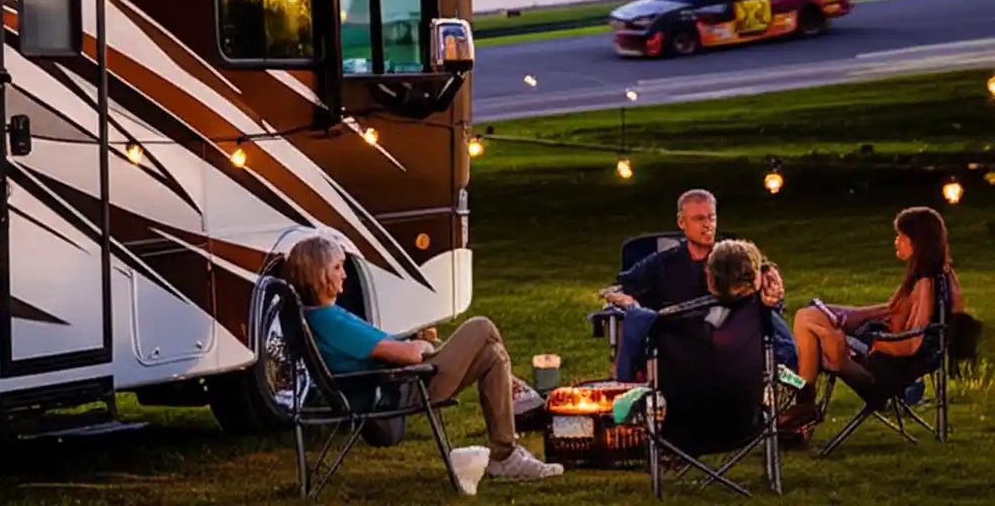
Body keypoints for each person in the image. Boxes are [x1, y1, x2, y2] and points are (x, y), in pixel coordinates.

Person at [281, 234, 564, 481]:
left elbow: (387, 347)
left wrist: (422, 344)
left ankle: (505, 454)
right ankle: (516, 409)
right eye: (338, 267)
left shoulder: (316, 317)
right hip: (401, 390)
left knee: (493, 355)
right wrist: (424, 346)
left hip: (393, 384)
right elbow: (408, 354)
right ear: (318, 274)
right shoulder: (332, 320)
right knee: (481, 326)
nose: (344, 274)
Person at [777, 206, 966, 431]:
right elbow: (891, 310)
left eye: (901, 237)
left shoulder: (927, 283)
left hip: (878, 369)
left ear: (917, 243)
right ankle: (804, 402)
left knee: (808, 322)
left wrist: (873, 341)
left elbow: (912, 343)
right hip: (877, 353)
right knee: (810, 316)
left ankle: (804, 401)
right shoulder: (938, 275)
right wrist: (844, 313)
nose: (896, 242)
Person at [599, 189, 797, 370]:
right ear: (681, 223)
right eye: (699, 219)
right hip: (682, 342)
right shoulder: (663, 262)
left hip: (733, 339)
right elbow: (615, 288)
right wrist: (629, 303)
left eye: (712, 218)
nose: (708, 225)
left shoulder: (729, 257)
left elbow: (761, 276)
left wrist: (770, 283)